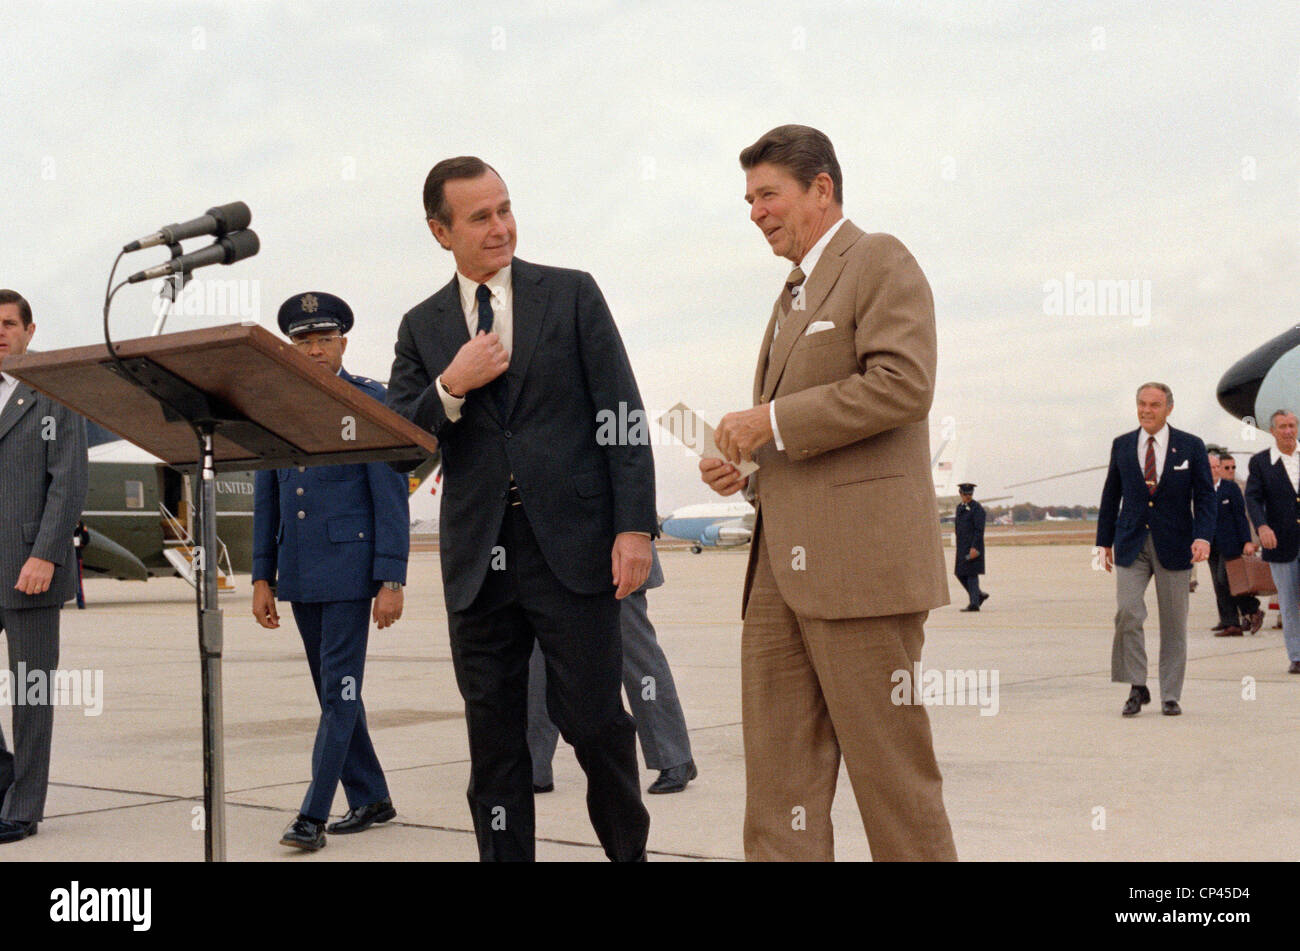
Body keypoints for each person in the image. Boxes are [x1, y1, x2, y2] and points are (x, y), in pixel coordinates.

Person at [386, 157, 657, 862]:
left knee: (597, 724)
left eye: (505, 209)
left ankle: (629, 854)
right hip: (479, 563)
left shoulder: (570, 295)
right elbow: (399, 448)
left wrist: (634, 526)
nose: (501, 226)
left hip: (571, 549)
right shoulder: (422, 327)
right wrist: (451, 384)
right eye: (480, 217)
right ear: (440, 231)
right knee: (496, 744)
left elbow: (621, 415)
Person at [701, 125, 956, 861]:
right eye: (748, 199)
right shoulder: (791, 293)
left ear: (822, 189)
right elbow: (803, 437)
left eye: (768, 194)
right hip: (780, 573)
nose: (755, 211)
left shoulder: (877, 259)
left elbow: (903, 384)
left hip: (860, 574)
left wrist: (770, 420)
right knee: (779, 789)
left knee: (894, 785)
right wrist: (748, 466)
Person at [252, 292, 410, 852]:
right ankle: (371, 796)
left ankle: (312, 815)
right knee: (333, 693)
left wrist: (391, 580)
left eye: (324, 339)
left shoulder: (369, 402)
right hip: (298, 572)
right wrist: (260, 576)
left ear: (343, 342)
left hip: (350, 572)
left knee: (340, 691)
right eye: (304, 341)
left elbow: (391, 500)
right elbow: (266, 498)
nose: (314, 350)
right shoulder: (277, 409)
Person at [0, 289, 89, 843]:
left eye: (9, 323)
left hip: (27, 568)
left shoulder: (55, 395)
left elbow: (69, 483)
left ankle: (23, 807)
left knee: (31, 694)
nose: (0, 332)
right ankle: (4, 780)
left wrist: (45, 555)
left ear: (30, 330)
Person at [527, 544, 696, 795]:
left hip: (615, 553)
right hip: (551, 555)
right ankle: (533, 767)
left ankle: (673, 757)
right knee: (539, 662)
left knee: (637, 659)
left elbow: (635, 504)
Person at [1096, 383, 1215, 717]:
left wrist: (1203, 536)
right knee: (1128, 613)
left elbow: (1205, 497)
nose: (1146, 410)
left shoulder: (1190, 446)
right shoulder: (1122, 445)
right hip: (1131, 542)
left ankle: (1171, 694)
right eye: (1141, 404)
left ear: (1169, 408)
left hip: (1176, 545)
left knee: (1174, 623)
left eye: (1154, 404)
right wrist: (1103, 542)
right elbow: (1110, 496)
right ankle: (1137, 685)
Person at [1244, 409, 1300, 674]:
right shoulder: (1260, 463)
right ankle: (1297, 655)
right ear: (1272, 431)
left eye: (1292, 426)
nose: (1288, 431)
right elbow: (1253, 498)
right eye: (1282, 427)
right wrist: (1262, 526)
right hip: (1280, 544)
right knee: (1288, 602)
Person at [1207, 451, 1262, 636]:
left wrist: (1247, 541)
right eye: (1211, 467)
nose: (1215, 471)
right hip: (1210, 544)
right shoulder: (1201, 489)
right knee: (1218, 583)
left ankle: (1253, 609)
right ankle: (1230, 623)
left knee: (1227, 579)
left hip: (1231, 543)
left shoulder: (1231, 489)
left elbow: (1241, 517)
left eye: (1217, 467)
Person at [954, 483, 988, 612]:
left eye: (970, 494)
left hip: (973, 547)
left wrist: (974, 547)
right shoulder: (959, 508)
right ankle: (978, 595)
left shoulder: (977, 508)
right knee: (960, 573)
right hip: (962, 547)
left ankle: (974, 604)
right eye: (965, 494)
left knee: (971, 573)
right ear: (960, 494)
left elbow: (979, 530)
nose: (968, 496)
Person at [71, 521, 90, 610]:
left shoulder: (63, 520)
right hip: (77, 553)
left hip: (64, 555)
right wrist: (80, 546)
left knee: (63, 580)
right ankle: (80, 603)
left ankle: (60, 604)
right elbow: (86, 539)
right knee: (78, 580)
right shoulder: (80, 524)